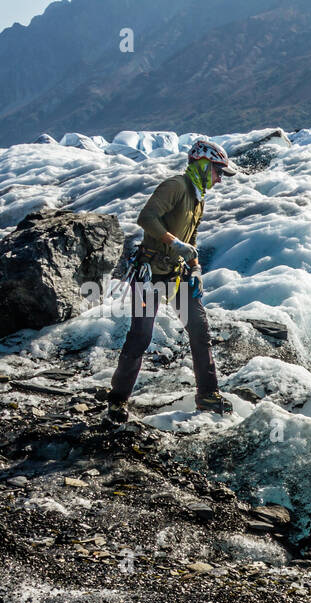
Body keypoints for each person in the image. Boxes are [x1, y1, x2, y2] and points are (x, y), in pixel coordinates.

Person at [105, 139, 237, 423]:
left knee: (199, 330)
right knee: (140, 337)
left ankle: (208, 395)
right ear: (204, 166)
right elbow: (146, 217)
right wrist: (173, 242)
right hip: (149, 272)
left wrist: (196, 267)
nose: (219, 179)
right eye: (218, 172)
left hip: (177, 274)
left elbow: (192, 240)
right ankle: (117, 401)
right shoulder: (175, 186)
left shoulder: (198, 197)